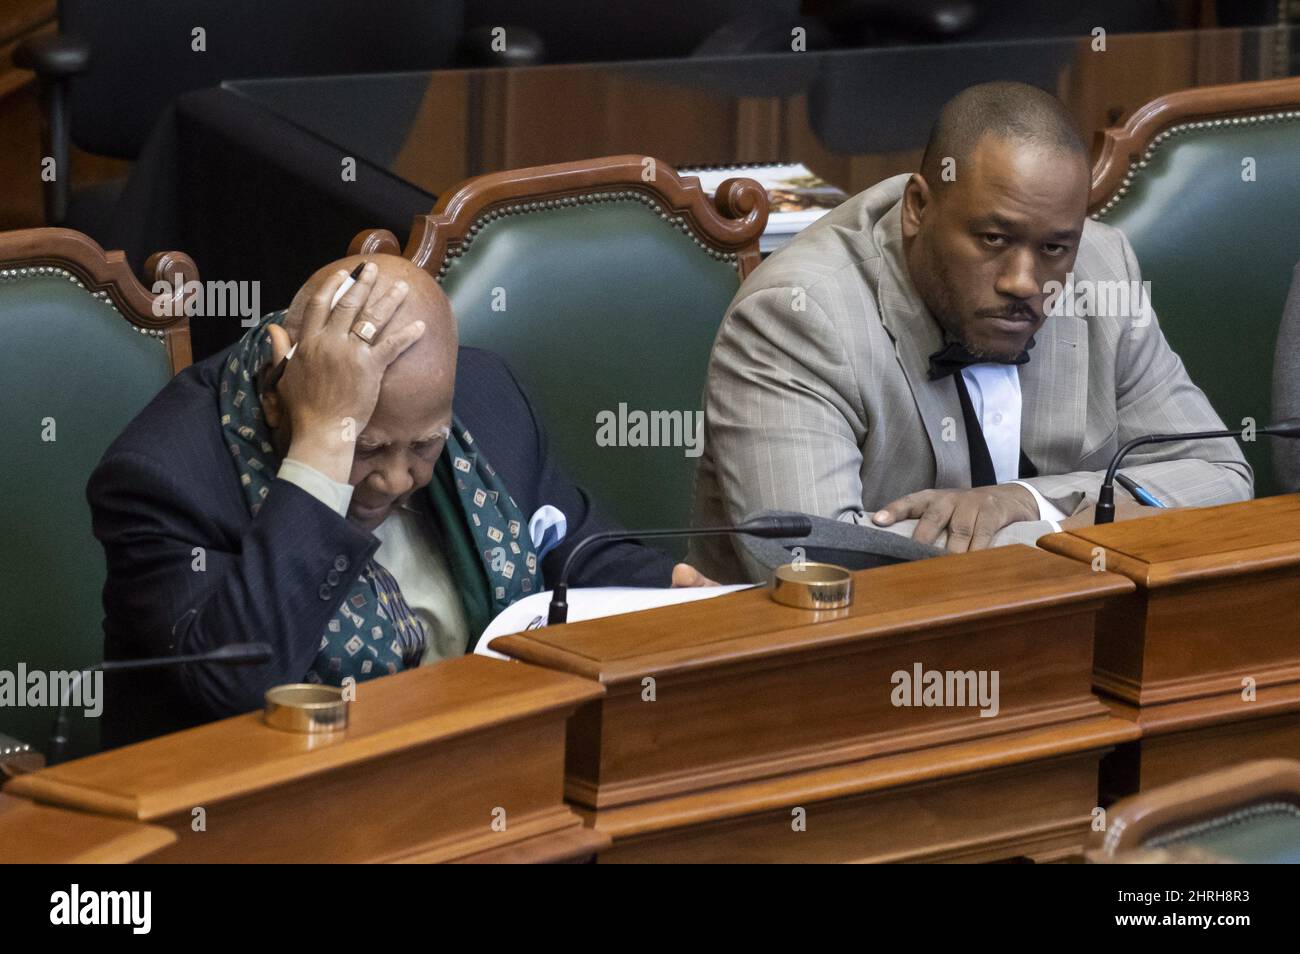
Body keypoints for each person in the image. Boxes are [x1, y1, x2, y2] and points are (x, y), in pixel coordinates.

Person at [90, 254, 708, 746]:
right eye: (367, 447)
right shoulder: (164, 477)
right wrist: (324, 442)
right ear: (279, 388)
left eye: (422, 448)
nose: (392, 480)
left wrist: (676, 588)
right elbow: (243, 686)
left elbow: (572, 554)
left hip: (488, 767)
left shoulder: (487, 399)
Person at [693, 81, 1251, 581]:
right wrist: (1099, 532)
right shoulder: (798, 315)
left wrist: (1029, 501)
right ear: (917, 207)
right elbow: (811, 562)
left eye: (1055, 248)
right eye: (992, 239)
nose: (1024, 282)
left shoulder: (1102, 270)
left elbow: (1221, 476)